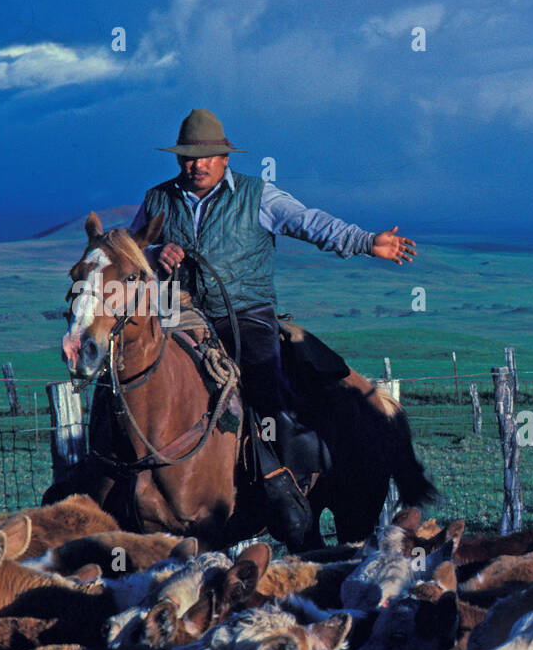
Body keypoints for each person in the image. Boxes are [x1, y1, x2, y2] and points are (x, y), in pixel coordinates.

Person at [129, 108, 416, 543]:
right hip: (178, 315)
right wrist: (154, 256)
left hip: (245, 313)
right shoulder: (157, 201)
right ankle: (110, 473)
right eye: (188, 157)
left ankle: (279, 480)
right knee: (132, 375)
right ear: (177, 160)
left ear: (226, 158)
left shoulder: (257, 195)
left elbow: (309, 222)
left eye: (207, 156)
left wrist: (363, 241)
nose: (197, 165)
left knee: (262, 382)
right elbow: (129, 256)